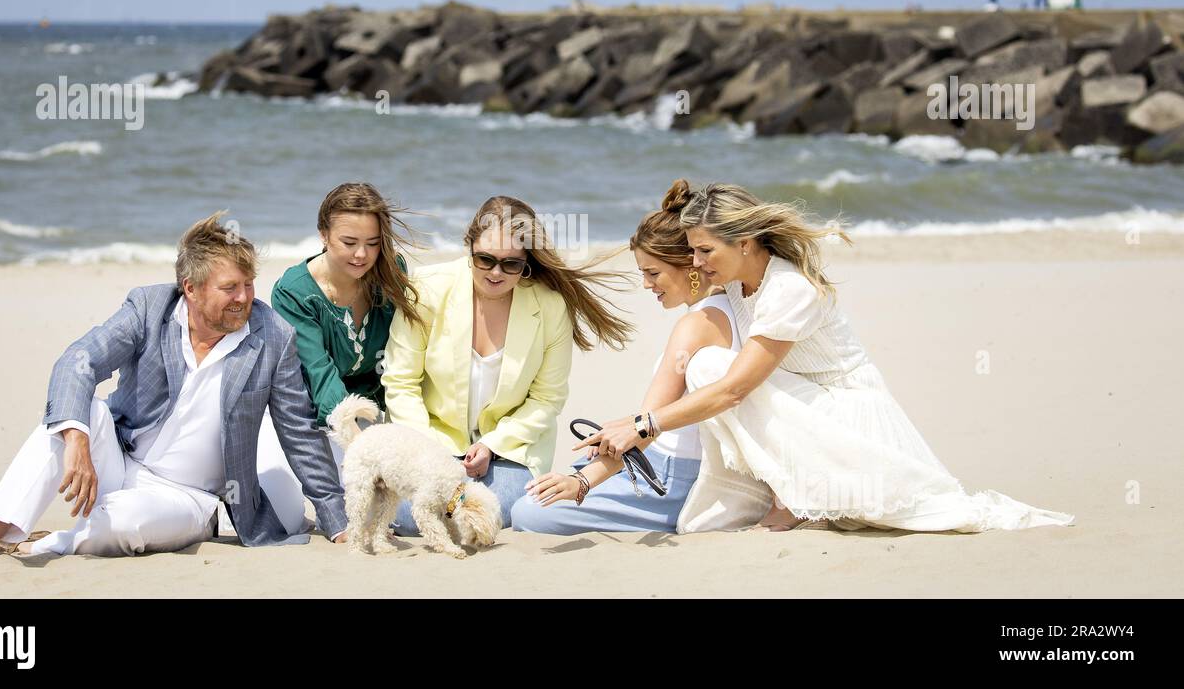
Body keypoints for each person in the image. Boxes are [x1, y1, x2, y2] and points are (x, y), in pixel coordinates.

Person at [576, 181, 1075, 534]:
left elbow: (735, 389)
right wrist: (614, 439)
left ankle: (787, 498)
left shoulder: (788, 288)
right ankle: (778, 494)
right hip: (806, 407)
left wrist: (645, 426)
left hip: (849, 413)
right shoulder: (736, 288)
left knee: (714, 371)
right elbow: (692, 323)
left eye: (705, 251)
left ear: (745, 242)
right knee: (708, 374)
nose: (698, 265)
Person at [0, 212, 348, 575]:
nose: (245, 298)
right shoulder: (148, 308)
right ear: (190, 288)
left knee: (122, 525)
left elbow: (299, 430)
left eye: (249, 285)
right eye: (230, 288)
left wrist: (336, 519)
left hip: (185, 498)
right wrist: (78, 438)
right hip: (118, 461)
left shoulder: (273, 335)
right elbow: (78, 361)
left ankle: (46, 543)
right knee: (73, 417)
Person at [512, 185, 773, 534]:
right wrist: (619, 431)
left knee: (529, 513)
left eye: (653, 273)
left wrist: (583, 484)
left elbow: (648, 427)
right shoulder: (734, 304)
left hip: (671, 479)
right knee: (583, 463)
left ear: (688, 265)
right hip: (681, 463)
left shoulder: (695, 326)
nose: (648, 284)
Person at [382, 196, 633, 533]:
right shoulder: (427, 288)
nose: (496, 272)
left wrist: (491, 444)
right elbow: (400, 383)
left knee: (504, 510)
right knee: (407, 520)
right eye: (485, 259)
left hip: (510, 449)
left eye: (511, 264)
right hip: (430, 441)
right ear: (469, 247)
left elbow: (547, 399)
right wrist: (434, 453)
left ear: (526, 262)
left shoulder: (550, 306)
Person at [257, 183, 422, 534]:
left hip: (380, 411)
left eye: (373, 243)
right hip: (314, 415)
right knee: (284, 518)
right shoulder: (294, 291)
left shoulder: (393, 271)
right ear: (323, 235)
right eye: (349, 243)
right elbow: (318, 372)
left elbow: (410, 348)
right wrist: (362, 443)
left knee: (403, 515)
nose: (362, 255)